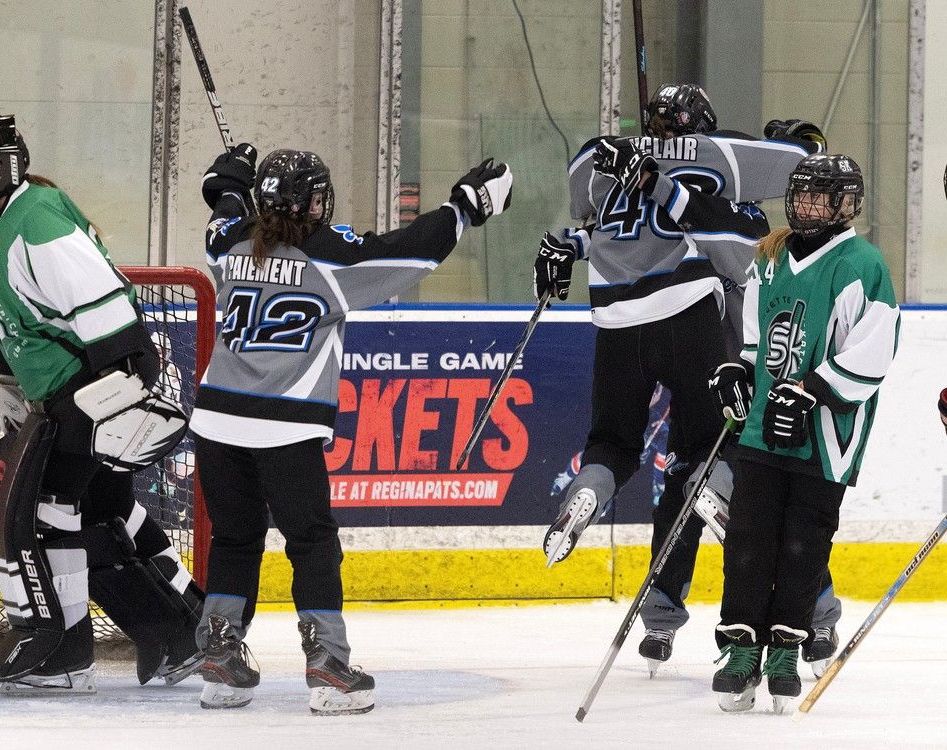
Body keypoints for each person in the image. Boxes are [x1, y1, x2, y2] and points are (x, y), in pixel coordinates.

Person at [191, 144, 512, 711]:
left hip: (217, 424)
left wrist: (232, 173)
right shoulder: (332, 258)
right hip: (284, 428)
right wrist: (465, 206)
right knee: (312, 542)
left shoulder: (226, 242)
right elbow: (409, 249)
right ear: (305, 203)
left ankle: (219, 654)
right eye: (314, 196)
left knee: (236, 538)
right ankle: (327, 664)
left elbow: (222, 204)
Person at [535, 84, 839, 675]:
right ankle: (814, 610)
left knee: (634, 456)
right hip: (715, 335)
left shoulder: (604, 154)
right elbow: (755, 220)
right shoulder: (726, 173)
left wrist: (569, 243)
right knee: (745, 477)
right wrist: (785, 145)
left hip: (620, 323)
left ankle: (657, 608)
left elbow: (597, 215)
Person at [0, 114, 205, 693]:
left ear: (4, 169)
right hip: (71, 388)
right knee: (100, 513)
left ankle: (67, 651)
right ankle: (182, 627)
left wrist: (119, 390)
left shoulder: (34, 220)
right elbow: (34, 316)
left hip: (95, 383)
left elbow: (107, 309)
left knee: (46, 513)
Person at [710, 153, 899, 714]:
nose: (810, 205)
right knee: (746, 539)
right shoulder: (768, 257)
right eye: (805, 195)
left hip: (825, 435)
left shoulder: (863, 264)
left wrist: (815, 388)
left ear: (847, 205)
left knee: (803, 545)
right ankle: (741, 646)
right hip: (763, 428)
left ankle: (787, 648)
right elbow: (755, 336)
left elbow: (877, 345)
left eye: (823, 197)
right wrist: (739, 370)